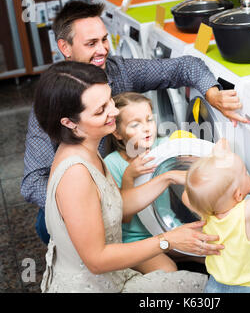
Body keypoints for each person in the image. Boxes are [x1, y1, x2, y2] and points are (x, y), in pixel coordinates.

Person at [21, 0, 249, 244]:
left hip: (128, 184)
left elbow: (186, 66)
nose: (103, 50)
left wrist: (212, 94)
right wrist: (91, 205)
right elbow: (32, 182)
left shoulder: (118, 71)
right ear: (64, 47)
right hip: (81, 199)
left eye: (104, 39)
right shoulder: (52, 100)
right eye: (91, 43)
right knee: (56, 231)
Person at [36, 61, 224, 293]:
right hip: (94, 286)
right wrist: (168, 240)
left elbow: (114, 206)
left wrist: (168, 177)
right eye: (100, 110)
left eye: (110, 101)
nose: (114, 112)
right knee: (210, 291)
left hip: (112, 276)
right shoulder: (75, 174)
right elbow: (97, 260)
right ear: (69, 123)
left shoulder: (84, 150)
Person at [182, 126, 250, 293]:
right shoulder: (245, 212)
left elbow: (186, 196)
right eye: (245, 173)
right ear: (238, 195)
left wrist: (216, 158)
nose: (247, 174)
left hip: (215, 285)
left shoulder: (206, 212)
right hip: (246, 289)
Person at [104, 92, 176, 274]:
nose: (147, 128)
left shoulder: (166, 146)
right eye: (135, 124)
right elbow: (124, 218)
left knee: (212, 250)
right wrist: (129, 176)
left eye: (149, 120)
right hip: (135, 241)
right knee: (167, 270)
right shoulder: (112, 163)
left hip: (168, 227)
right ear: (117, 133)